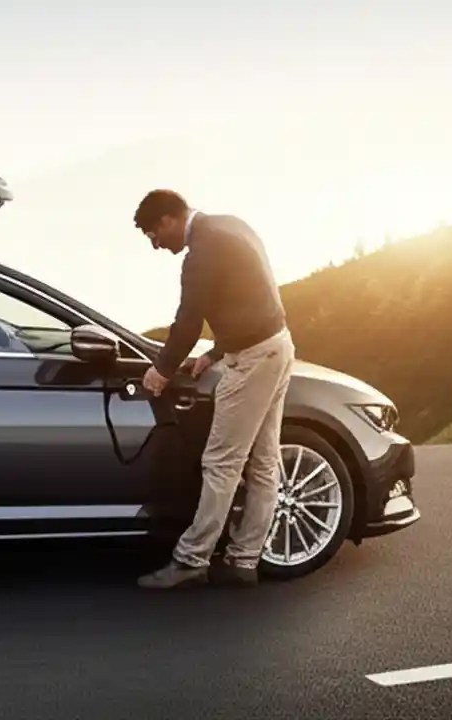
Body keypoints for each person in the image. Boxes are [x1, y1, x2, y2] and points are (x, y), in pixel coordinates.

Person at [131, 189, 296, 589]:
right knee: (262, 461)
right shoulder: (231, 226)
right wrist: (215, 352)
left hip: (254, 358)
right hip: (277, 345)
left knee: (221, 461)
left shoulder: (200, 252)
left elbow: (188, 321)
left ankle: (191, 560)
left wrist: (161, 370)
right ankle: (242, 561)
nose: (155, 244)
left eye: (153, 234)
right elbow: (255, 294)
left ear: (169, 219)